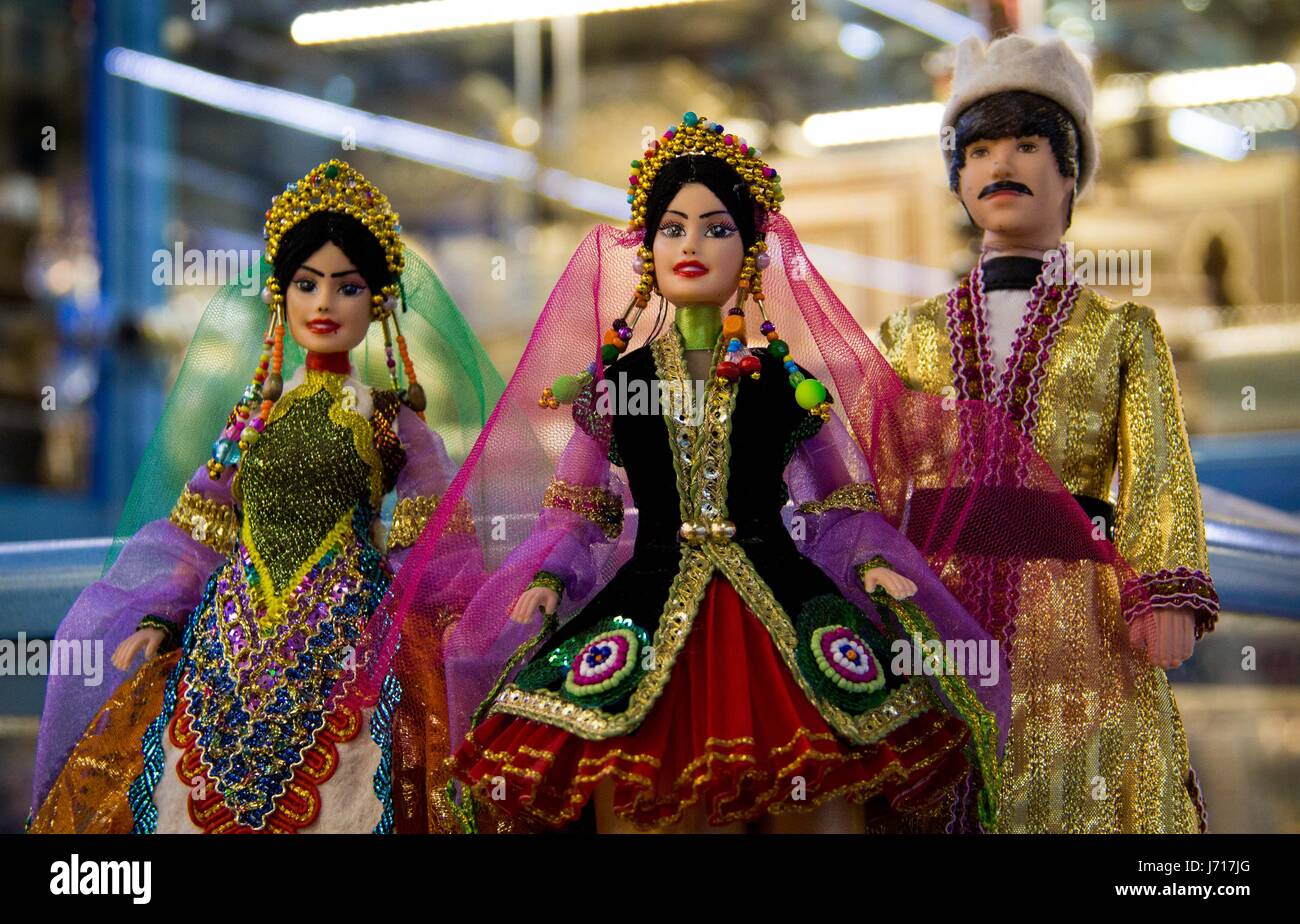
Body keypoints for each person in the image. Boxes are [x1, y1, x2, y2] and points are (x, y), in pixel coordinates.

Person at [413, 112, 1011, 834]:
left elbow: (840, 503)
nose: (692, 244)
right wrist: (549, 577)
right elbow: (575, 510)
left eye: (717, 228)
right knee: (641, 788)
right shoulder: (616, 383)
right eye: (673, 228)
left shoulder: (780, 382)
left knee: (821, 790)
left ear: (751, 253)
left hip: (782, 603)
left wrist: (873, 560)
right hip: (648, 598)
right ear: (649, 250)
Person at [28, 160, 501, 833]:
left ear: (379, 301)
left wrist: (426, 631)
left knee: (352, 788)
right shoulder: (254, 418)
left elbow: (436, 539)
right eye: (307, 284)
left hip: (349, 643)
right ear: (281, 296)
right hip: (228, 641)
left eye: (348, 287)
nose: (325, 304)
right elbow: (199, 527)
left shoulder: (391, 420)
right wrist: (160, 614)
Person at [880, 35, 1217, 832]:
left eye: (1030, 145)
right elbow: (874, 474)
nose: (1005, 163)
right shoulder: (906, 335)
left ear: (1071, 175)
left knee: (1079, 796)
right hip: (933, 617)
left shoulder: (1122, 333)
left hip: (1079, 624)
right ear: (958, 179)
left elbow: (1161, 469)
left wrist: (1163, 588)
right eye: (982, 148)